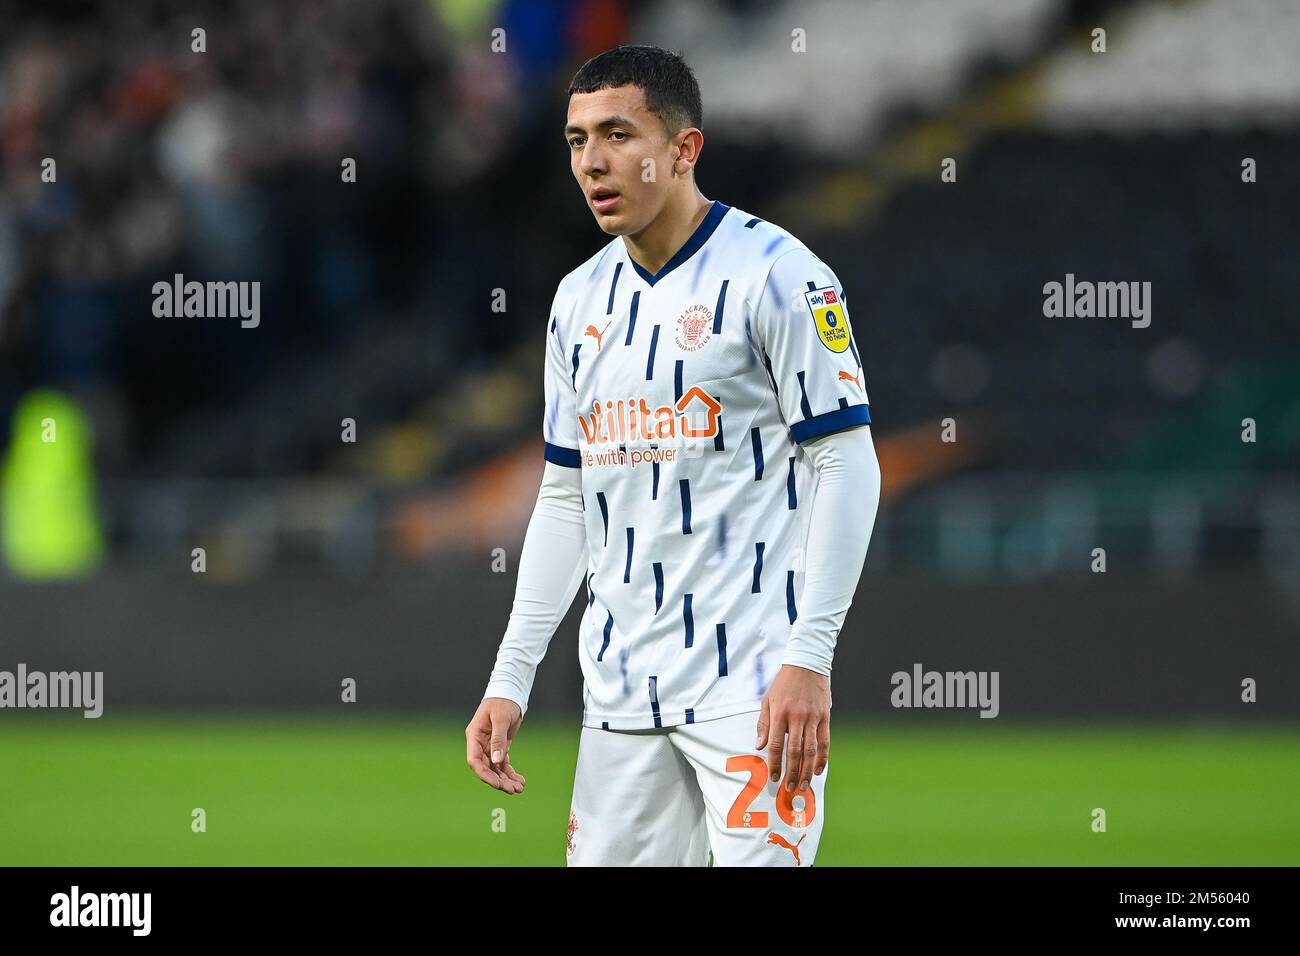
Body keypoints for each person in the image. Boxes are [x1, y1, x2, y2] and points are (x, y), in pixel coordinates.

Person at [465, 45, 880, 866]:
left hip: (753, 690)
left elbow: (846, 462)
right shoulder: (577, 301)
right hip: (618, 694)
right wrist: (511, 674)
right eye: (577, 140)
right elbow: (565, 497)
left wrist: (810, 660)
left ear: (684, 149)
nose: (592, 162)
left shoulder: (780, 276)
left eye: (617, 134)